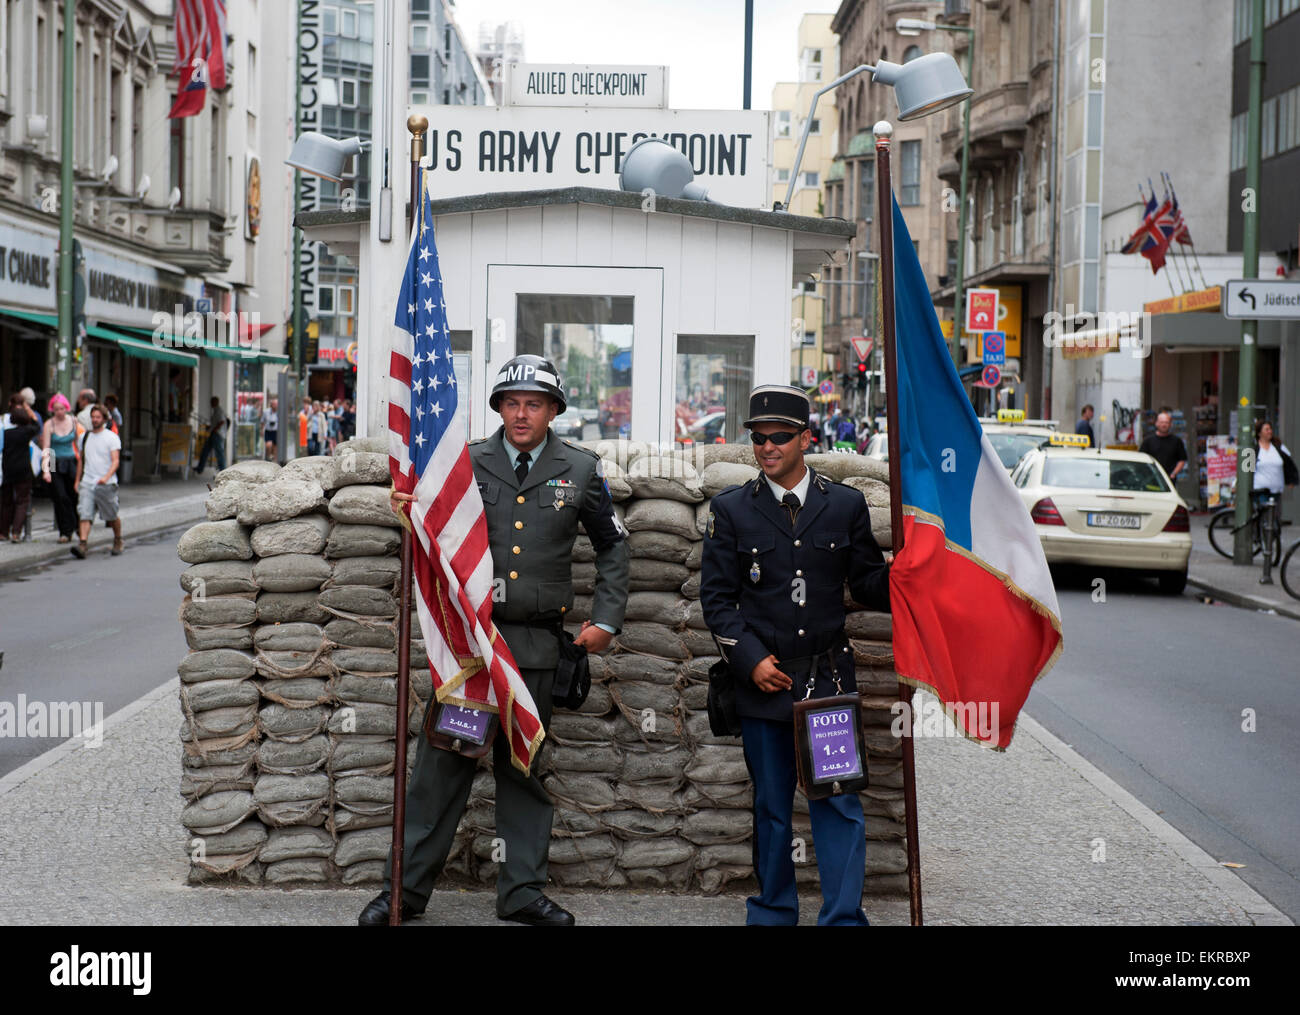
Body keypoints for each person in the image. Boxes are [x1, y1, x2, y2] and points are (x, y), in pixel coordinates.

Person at [359, 354, 630, 928]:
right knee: (441, 770)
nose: (522, 413)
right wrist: (409, 510)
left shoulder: (580, 469)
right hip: (470, 646)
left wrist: (606, 619)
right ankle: (402, 893)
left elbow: (613, 544)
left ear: (554, 409)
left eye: (534, 403)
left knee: (524, 770)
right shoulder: (464, 464)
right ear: (498, 409)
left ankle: (522, 892)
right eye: (511, 403)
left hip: (534, 650)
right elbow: (434, 531)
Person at [700, 384, 892, 926]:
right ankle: (773, 913)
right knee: (772, 810)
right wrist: (750, 660)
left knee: (838, 804)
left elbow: (868, 582)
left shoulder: (847, 505)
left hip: (827, 682)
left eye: (779, 437)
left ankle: (843, 919)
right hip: (765, 685)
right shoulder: (732, 509)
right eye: (758, 438)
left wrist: (912, 572)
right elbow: (716, 600)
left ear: (806, 438)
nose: (767, 447)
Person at [71, 404, 123, 558]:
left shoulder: (111, 437)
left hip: (106, 483)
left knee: (111, 515)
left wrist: (106, 477)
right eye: (93, 417)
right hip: (87, 481)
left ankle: (118, 540)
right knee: (85, 514)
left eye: (98, 417)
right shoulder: (85, 437)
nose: (94, 420)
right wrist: (77, 480)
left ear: (104, 419)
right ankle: (83, 544)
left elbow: (115, 461)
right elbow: (81, 460)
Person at [41, 394, 81, 542]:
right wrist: (46, 470)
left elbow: (78, 445)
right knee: (60, 496)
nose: (59, 412)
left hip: (71, 462)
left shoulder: (74, 421)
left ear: (67, 408)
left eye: (62, 409)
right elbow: (46, 448)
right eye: (56, 409)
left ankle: (77, 526)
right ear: (52, 410)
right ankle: (64, 531)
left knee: (74, 496)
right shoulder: (49, 424)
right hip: (55, 462)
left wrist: (82, 463)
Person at [0, 395, 41, 541]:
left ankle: (3, 532)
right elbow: (37, 426)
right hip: (23, 469)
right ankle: (16, 532)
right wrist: (29, 412)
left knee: (6, 501)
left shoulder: (6, 433)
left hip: (7, 469)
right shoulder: (26, 432)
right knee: (22, 501)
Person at [1251, 420, 1298, 503]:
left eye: (1270, 429)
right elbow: (1245, 470)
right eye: (1267, 429)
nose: (1270, 431)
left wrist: (1292, 479)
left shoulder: (1278, 447)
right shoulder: (1252, 449)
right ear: (1259, 433)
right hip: (1260, 491)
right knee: (1263, 514)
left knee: (1275, 514)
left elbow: (1289, 462)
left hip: (1277, 491)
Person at [1138, 411, 1187, 484]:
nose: (1164, 425)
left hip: (1169, 481)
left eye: (1166, 422)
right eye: (1161, 422)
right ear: (1156, 423)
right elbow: (1141, 459)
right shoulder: (1148, 441)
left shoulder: (1177, 441)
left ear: (1170, 424)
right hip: (1150, 480)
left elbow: (1182, 460)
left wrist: (1173, 474)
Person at [197, 396, 229, 473]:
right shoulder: (215, 411)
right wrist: (210, 427)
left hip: (217, 434)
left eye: (212, 402)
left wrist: (214, 429)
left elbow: (221, 422)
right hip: (214, 434)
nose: (210, 403)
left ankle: (222, 470)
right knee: (205, 450)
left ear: (216, 402)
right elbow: (216, 422)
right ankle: (200, 468)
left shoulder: (219, 411)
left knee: (219, 453)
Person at [263, 397, 279, 461]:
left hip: (276, 431)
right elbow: (262, 421)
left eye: (276, 404)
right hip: (268, 431)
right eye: (274, 404)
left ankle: (275, 460)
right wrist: (262, 430)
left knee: (275, 447)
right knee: (268, 445)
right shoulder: (266, 412)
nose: (275, 406)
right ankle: (268, 457)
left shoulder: (279, 412)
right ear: (271, 405)